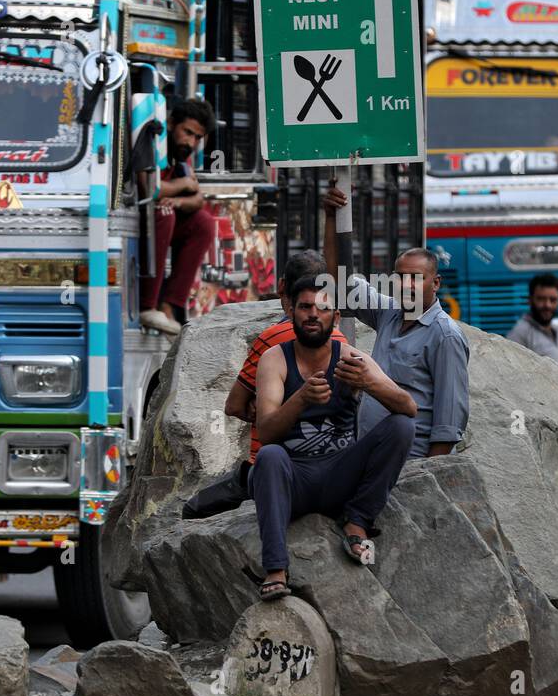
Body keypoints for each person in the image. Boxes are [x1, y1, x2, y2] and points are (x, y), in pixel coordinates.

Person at [250, 276, 417, 599]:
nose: (313, 314)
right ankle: (275, 569)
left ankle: (357, 522)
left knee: (400, 427)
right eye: (305, 307)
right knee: (269, 457)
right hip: (293, 480)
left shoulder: (350, 358)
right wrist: (300, 398)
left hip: (339, 479)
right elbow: (267, 433)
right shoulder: (274, 360)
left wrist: (370, 383)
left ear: (336, 317)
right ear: (291, 311)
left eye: (323, 308)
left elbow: (408, 408)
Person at [179, 250, 347, 520]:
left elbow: (233, 406)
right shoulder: (343, 346)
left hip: (272, 465)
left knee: (192, 510)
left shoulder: (274, 341)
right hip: (327, 466)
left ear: (283, 289)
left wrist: (268, 408)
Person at [322, 185, 470, 458]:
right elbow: (339, 282)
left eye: (415, 277)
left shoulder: (445, 335)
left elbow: (448, 423)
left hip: (410, 464)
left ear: (435, 283)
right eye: (400, 276)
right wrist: (332, 218)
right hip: (370, 456)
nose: (406, 284)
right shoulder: (388, 313)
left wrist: (427, 479)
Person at [137, 97, 218, 335]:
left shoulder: (181, 157)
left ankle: (170, 306)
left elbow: (197, 199)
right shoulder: (151, 142)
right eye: (188, 132)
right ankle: (147, 305)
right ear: (171, 123)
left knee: (204, 223)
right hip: (140, 220)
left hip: (163, 219)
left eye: (197, 138)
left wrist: (179, 199)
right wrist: (181, 185)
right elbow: (149, 188)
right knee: (164, 212)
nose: (191, 142)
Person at [505, 273, 558, 368]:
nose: (548, 305)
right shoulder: (520, 333)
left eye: (553, 300)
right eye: (541, 299)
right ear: (530, 300)